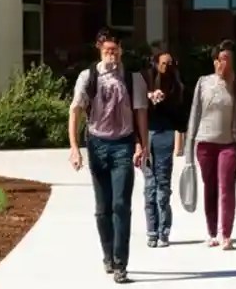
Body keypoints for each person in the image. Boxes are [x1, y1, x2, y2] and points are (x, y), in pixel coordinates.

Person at [69, 30, 149, 284]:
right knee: (102, 209)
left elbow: (141, 114)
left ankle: (120, 263)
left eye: (115, 49)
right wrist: (74, 147)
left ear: (121, 51)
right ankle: (107, 254)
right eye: (107, 50)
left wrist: (142, 145)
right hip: (97, 144)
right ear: (99, 50)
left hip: (123, 145)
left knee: (121, 206)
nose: (111, 53)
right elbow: (75, 110)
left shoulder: (132, 78)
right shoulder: (88, 76)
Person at [182, 40, 236, 250]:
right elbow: (194, 114)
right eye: (222, 59)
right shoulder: (203, 82)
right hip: (205, 143)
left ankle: (226, 233)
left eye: (230, 59)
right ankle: (211, 231)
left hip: (229, 144)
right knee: (210, 188)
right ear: (215, 61)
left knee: (226, 187)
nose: (226, 63)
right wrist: (188, 147)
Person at [141, 42, 185, 248]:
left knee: (163, 186)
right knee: (149, 186)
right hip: (146, 134)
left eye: (170, 63)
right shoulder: (144, 79)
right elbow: (136, 107)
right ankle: (151, 231)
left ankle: (164, 231)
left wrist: (165, 99)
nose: (167, 67)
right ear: (156, 63)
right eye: (163, 63)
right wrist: (150, 97)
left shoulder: (175, 84)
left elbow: (180, 116)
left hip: (165, 135)